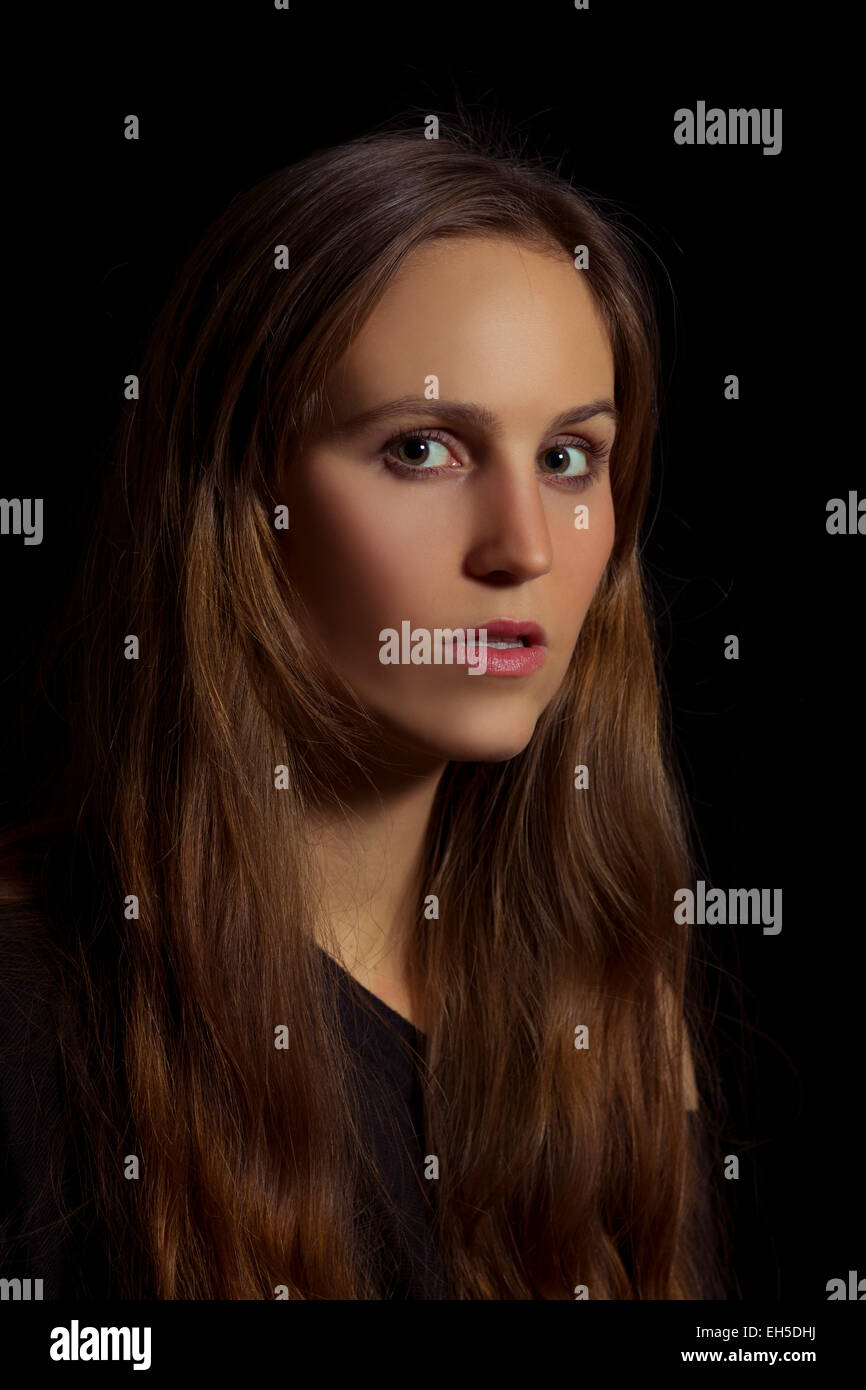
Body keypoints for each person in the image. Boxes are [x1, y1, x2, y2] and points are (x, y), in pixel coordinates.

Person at [0, 119, 727, 1299]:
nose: (521, 548)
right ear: (242, 498)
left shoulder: (609, 995)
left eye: (566, 459)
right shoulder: (37, 1018)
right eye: (424, 448)